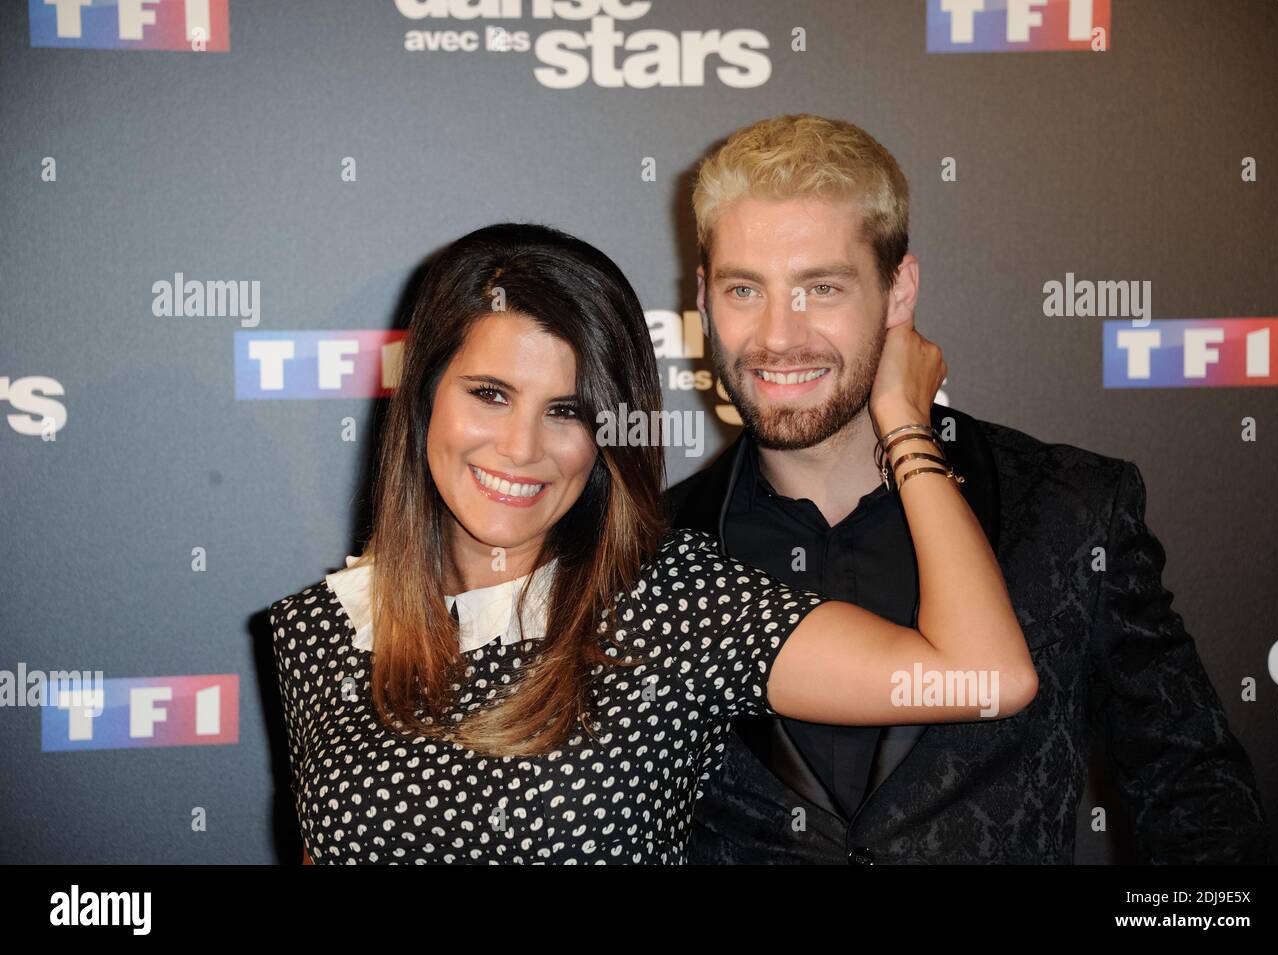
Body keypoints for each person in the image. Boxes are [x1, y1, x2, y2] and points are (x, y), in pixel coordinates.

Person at [267, 221, 1036, 864]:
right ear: (426, 395)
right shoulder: (319, 630)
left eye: (566, 411)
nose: (519, 448)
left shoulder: (670, 604)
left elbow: (984, 674)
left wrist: (904, 421)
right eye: (490, 394)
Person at [667, 113, 1271, 864]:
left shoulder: (1069, 508)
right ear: (703, 297)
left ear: (898, 290)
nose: (778, 336)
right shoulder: (645, 551)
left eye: (821, 287)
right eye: (744, 289)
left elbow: (1200, 807)